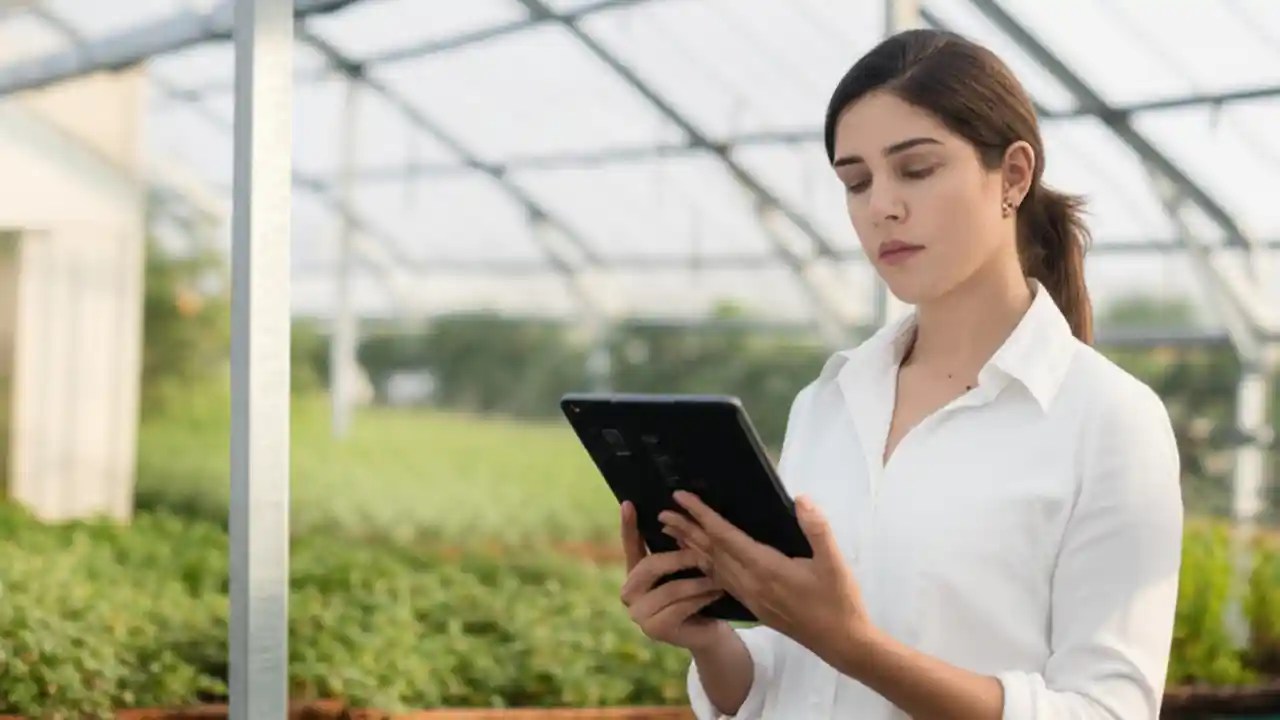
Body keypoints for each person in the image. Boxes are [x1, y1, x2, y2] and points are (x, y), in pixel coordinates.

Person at [616, 28, 1184, 720]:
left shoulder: (1109, 420)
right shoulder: (829, 400)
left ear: (1012, 174)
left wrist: (854, 645)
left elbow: (1108, 711)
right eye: (856, 181)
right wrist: (709, 643)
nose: (880, 205)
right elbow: (789, 675)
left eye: (915, 169)